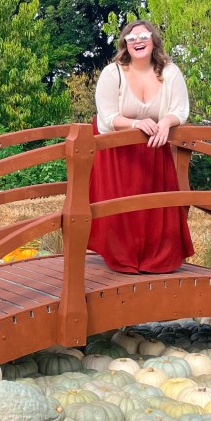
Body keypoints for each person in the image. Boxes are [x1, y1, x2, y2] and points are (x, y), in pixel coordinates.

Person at [88, 20, 194, 273]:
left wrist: (166, 123)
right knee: (120, 205)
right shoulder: (112, 73)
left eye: (143, 36)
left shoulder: (170, 72)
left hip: (153, 146)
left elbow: (179, 110)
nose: (138, 41)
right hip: (116, 148)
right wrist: (136, 123)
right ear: (125, 43)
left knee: (153, 203)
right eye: (131, 38)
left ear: (153, 41)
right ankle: (123, 257)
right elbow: (107, 117)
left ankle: (156, 257)